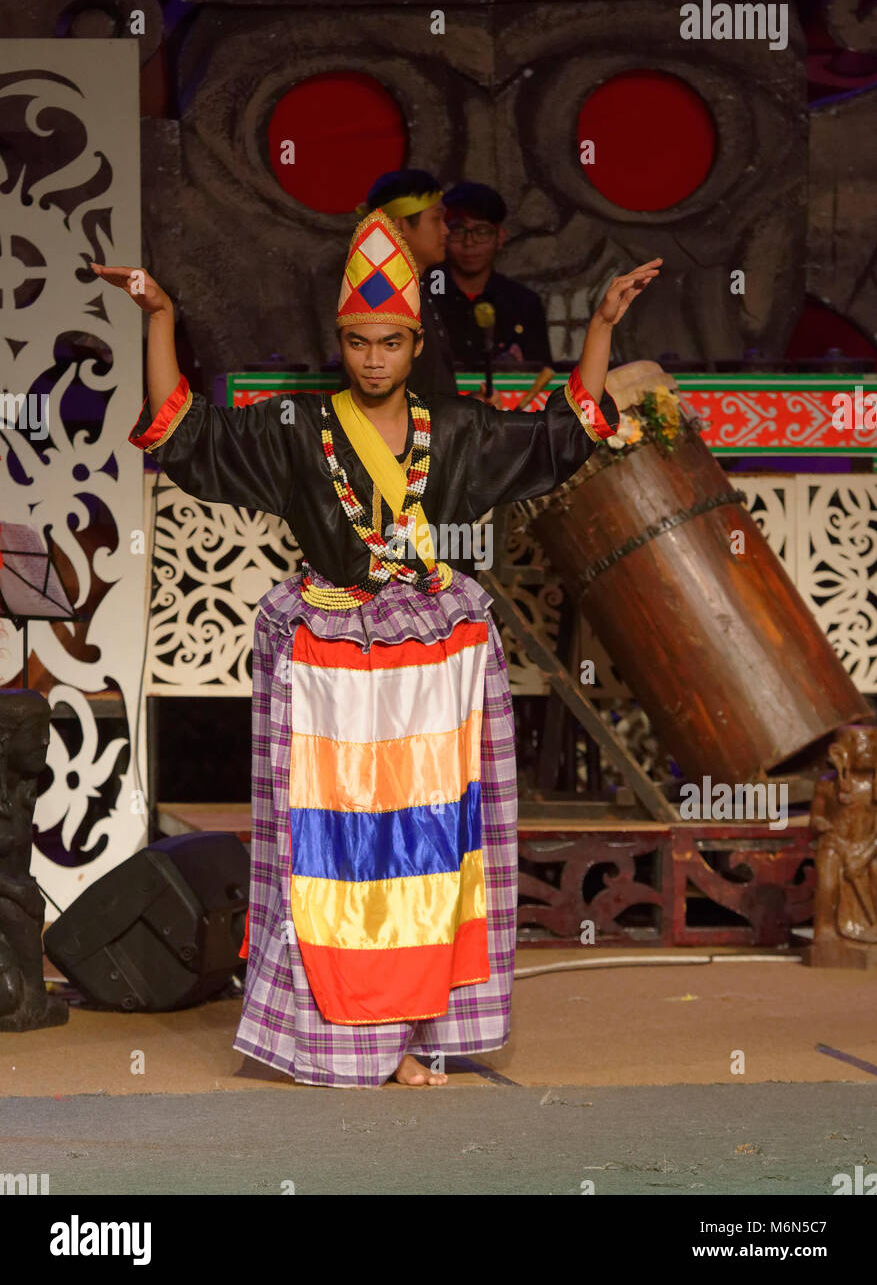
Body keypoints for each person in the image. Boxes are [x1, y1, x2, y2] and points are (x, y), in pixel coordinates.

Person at [92, 221, 660, 1089]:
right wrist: (160, 319)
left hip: (432, 661)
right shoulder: (294, 428)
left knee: (430, 850)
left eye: (389, 342)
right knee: (336, 855)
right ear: (340, 342)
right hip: (332, 662)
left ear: (415, 343)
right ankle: (348, 1034)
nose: (371, 359)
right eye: (357, 342)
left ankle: (416, 1028)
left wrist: (599, 331)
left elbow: (560, 438)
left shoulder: (457, 430)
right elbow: (185, 439)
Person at [438, 181, 553, 376]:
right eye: (458, 230)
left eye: (481, 231)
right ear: (444, 234)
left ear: (500, 237)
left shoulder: (524, 303)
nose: (469, 242)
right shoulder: (427, 296)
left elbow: (543, 376)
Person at [361, 168, 457, 397]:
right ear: (400, 226)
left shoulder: (411, 289)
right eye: (436, 219)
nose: (445, 231)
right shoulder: (383, 298)